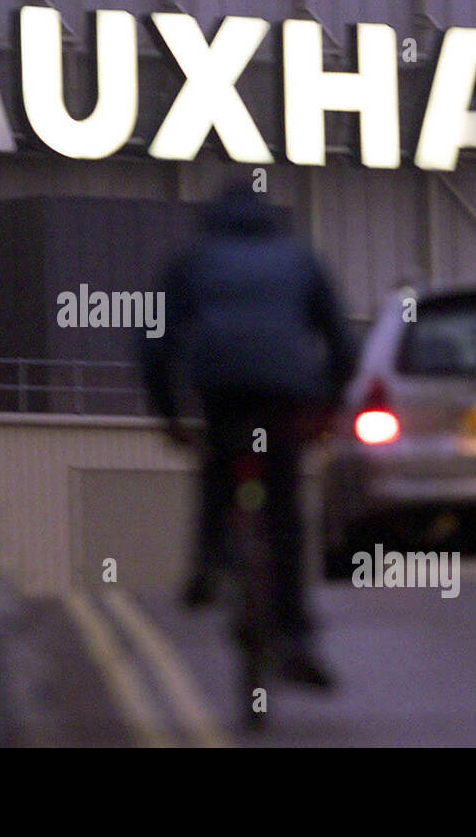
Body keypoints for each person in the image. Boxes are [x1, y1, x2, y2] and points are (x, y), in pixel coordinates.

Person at [141, 181, 357, 687]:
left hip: (220, 388)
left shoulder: (194, 261)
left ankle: (206, 567)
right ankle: (296, 636)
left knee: (218, 467)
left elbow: (155, 343)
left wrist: (170, 416)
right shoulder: (301, 260)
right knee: (284, 509)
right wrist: (326, 407)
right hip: (285, 392)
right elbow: (343, 344)